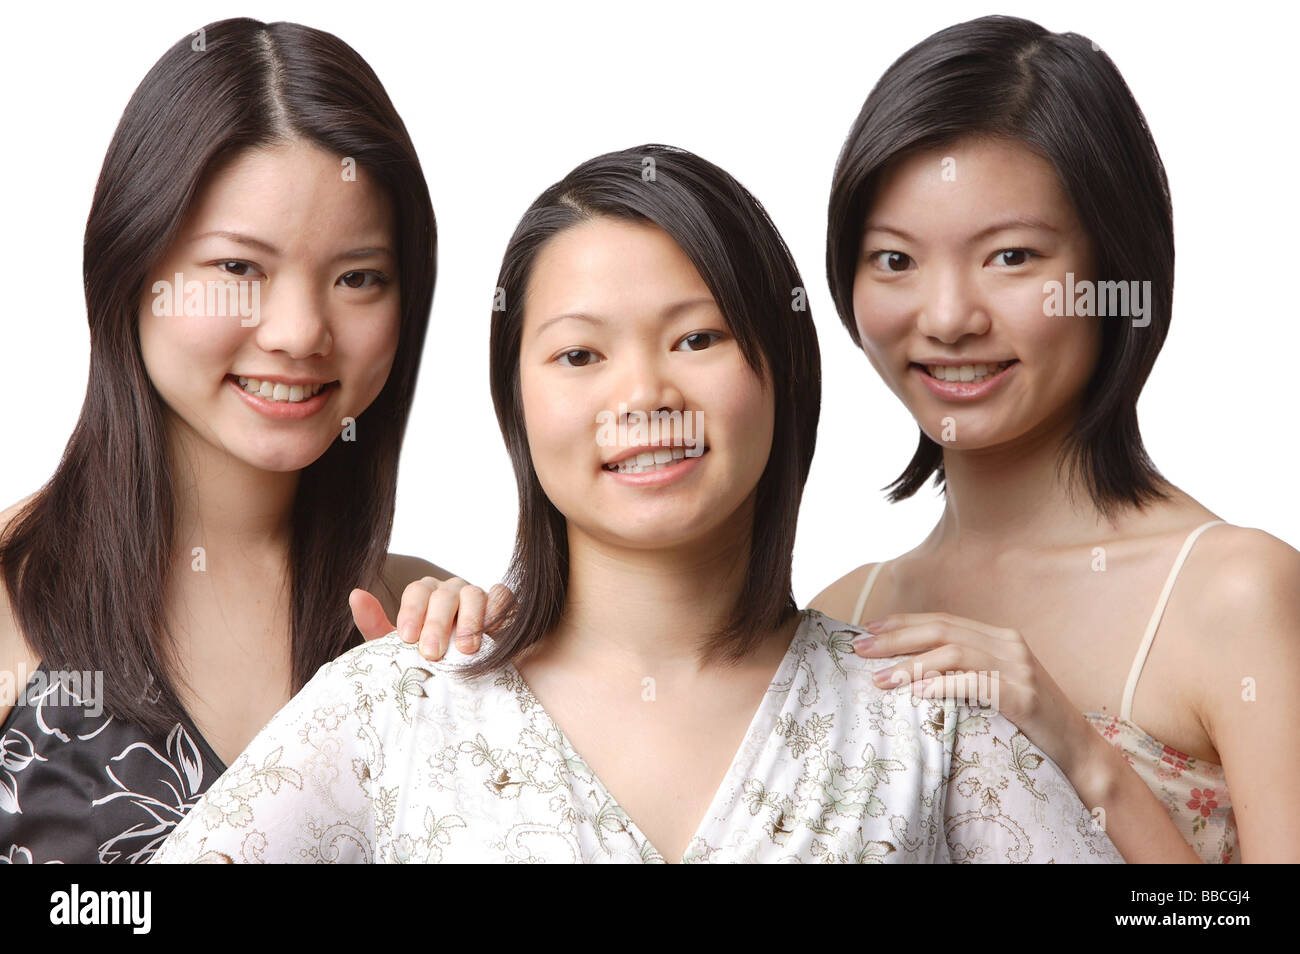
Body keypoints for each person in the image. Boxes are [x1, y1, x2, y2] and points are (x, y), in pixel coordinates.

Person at [371, 16, 1300, 864]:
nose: (947, 316)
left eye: (1011, 256)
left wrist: (1082, 760)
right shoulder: (856, 609)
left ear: (1114, 265)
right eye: (895, 259)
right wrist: (496, 631)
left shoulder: (1234, 593)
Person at [153, 145, 1122, 864]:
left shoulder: (925, 719)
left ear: (781, 371)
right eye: (580, 354)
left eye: (697, 339)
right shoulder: (396, 705)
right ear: (517, 405)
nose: (644, 395)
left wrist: (1090, 759)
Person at [0, 18, 456, 864]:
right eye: (238, 268)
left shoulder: (423, 621)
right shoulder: (11, 599)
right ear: (131, 268)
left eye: (358, 277)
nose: (298, 331)